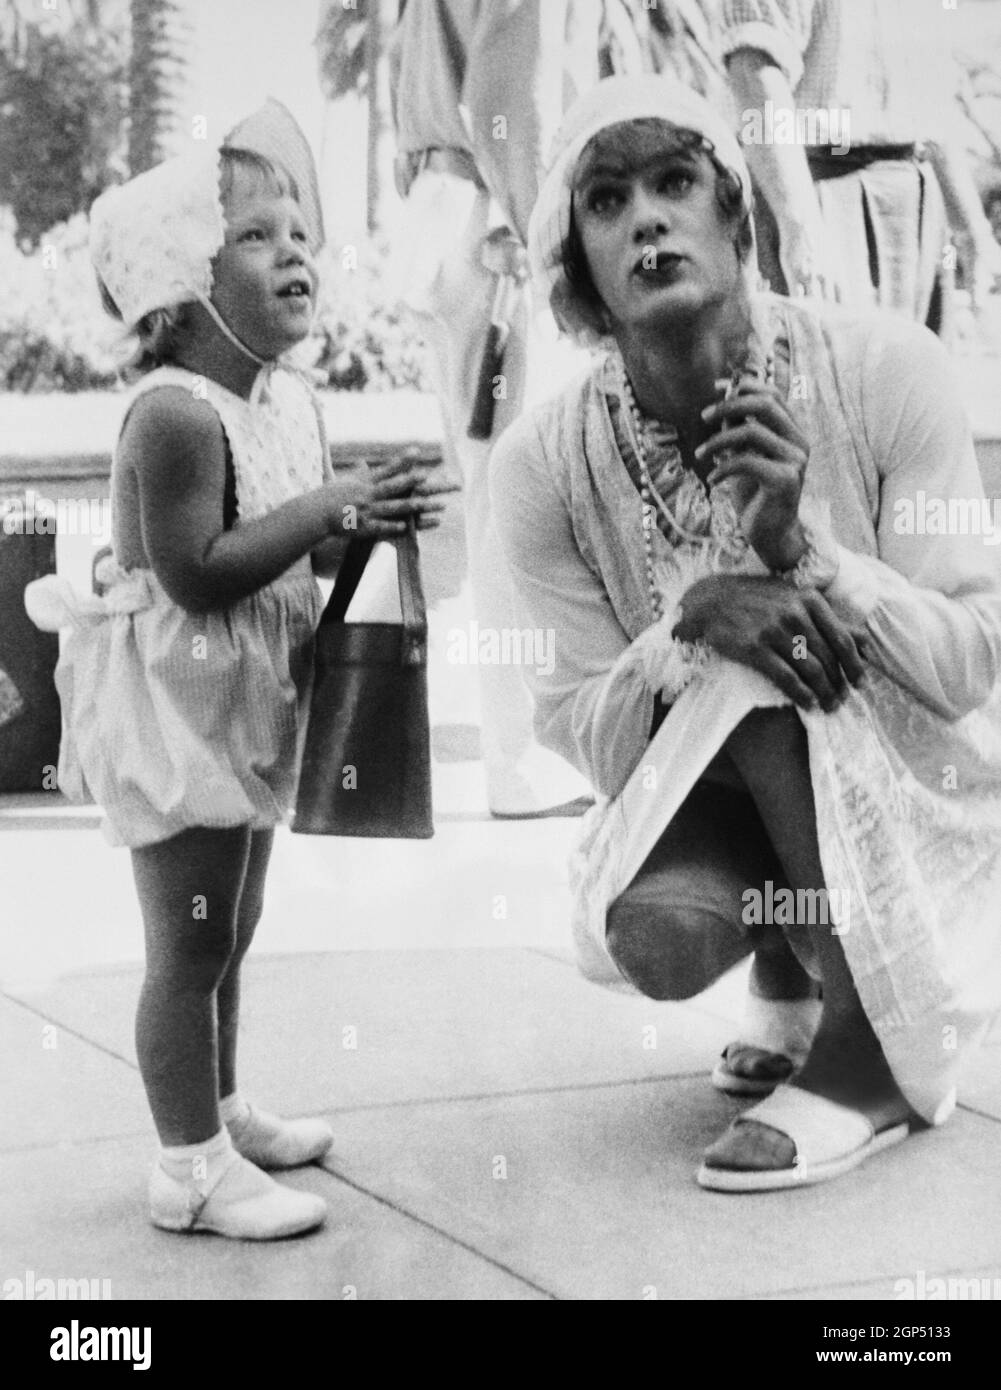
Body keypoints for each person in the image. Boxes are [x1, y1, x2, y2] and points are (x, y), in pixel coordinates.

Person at [491, 75, 1001, 1190]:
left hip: (932, 782)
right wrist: (688, 620)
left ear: (736, 217)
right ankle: (785, 963)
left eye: (674, 181)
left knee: (763, 648)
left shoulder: (883, 367)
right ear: (577, 266)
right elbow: (576, 724)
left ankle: (869, 1056)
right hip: (736, 783)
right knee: (659, 935)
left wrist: (796, 551)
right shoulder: (538, 463)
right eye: (606, 200)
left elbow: (970, 662)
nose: (645, 220)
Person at [25, 104, 452, 1239]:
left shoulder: (285, 404)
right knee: (190, 941)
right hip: (175, 707)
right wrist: (329, 505)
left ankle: (214, 1108)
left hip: (243, 700)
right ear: (180, 283)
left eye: (299, 229)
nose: (297, 249)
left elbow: (292, 543)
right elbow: (201, 572)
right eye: (258, 235)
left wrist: (365, 521)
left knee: (237, 920)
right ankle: (187, 1168)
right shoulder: (172, 416)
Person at [383, 0, 661, 818]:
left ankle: (532, 752)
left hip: (462, 210)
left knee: (503, 494)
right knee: (524, 496)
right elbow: (513, 103)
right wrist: (553, 245)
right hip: (504, 223)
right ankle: (534, 758)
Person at [721, 0, 1001, 330]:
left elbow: (936, 88)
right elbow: (755, 67)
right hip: (822, 190)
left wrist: (971, 228)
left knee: (913, 373)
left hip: (917, 196)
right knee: (830, 368)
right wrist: (801, 228)